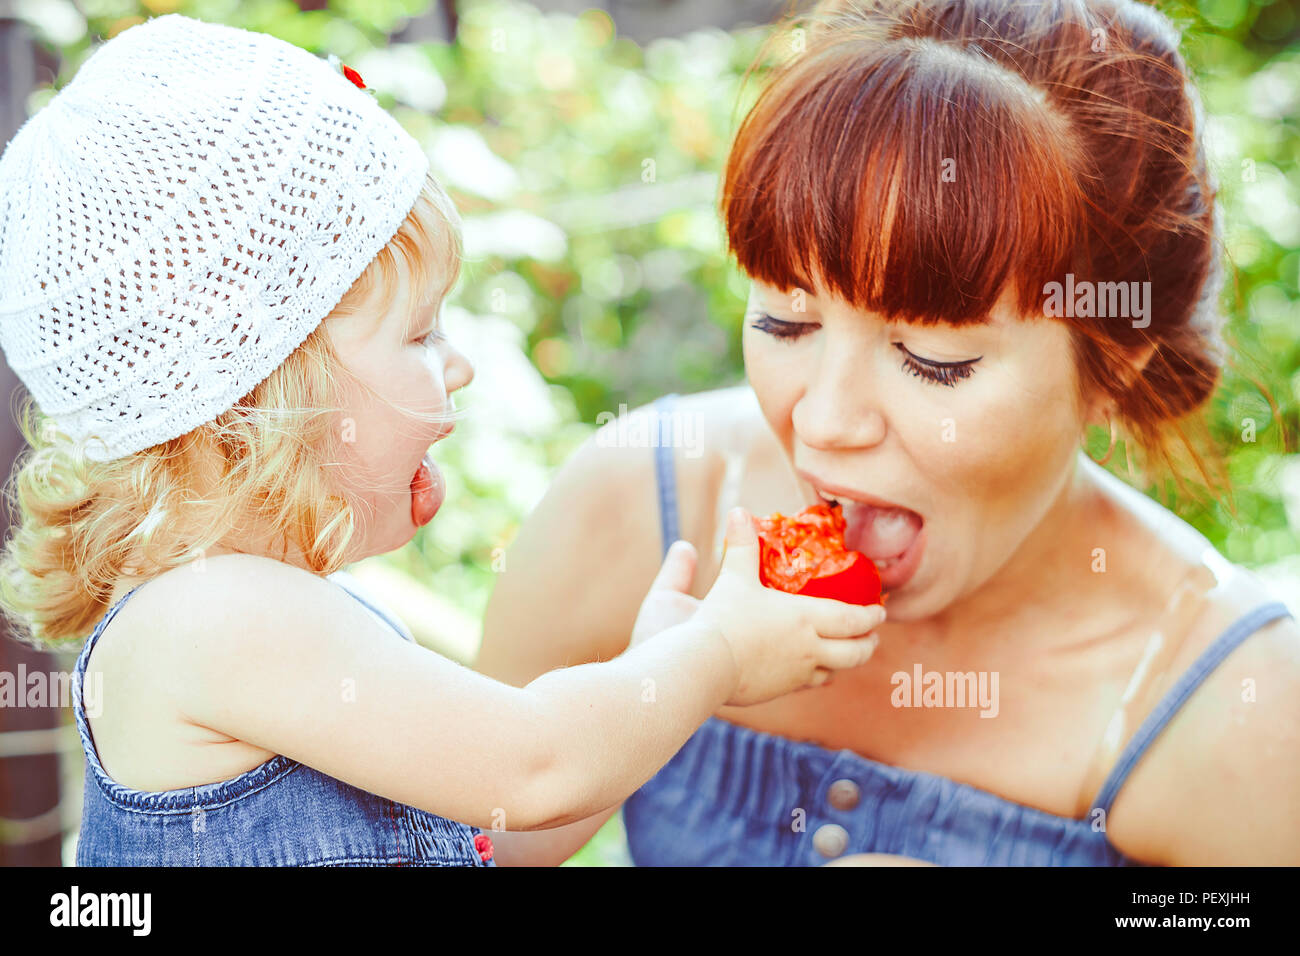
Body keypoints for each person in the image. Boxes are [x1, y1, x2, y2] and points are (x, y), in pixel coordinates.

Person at [0, 14, 886, 866]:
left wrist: (656, 665)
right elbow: (537, 766)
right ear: (272, 395)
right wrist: (716, 653)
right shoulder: (209, 618)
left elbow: (505, 830)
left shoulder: (280, 613)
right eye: (421, 335)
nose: (457, 365)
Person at [475, 0, 1300, 866]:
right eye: (788, 322)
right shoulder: (640, 500)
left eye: (933, 359)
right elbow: (451, 845)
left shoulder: (1237, 704)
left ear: (1116, 363)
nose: (824, 423)